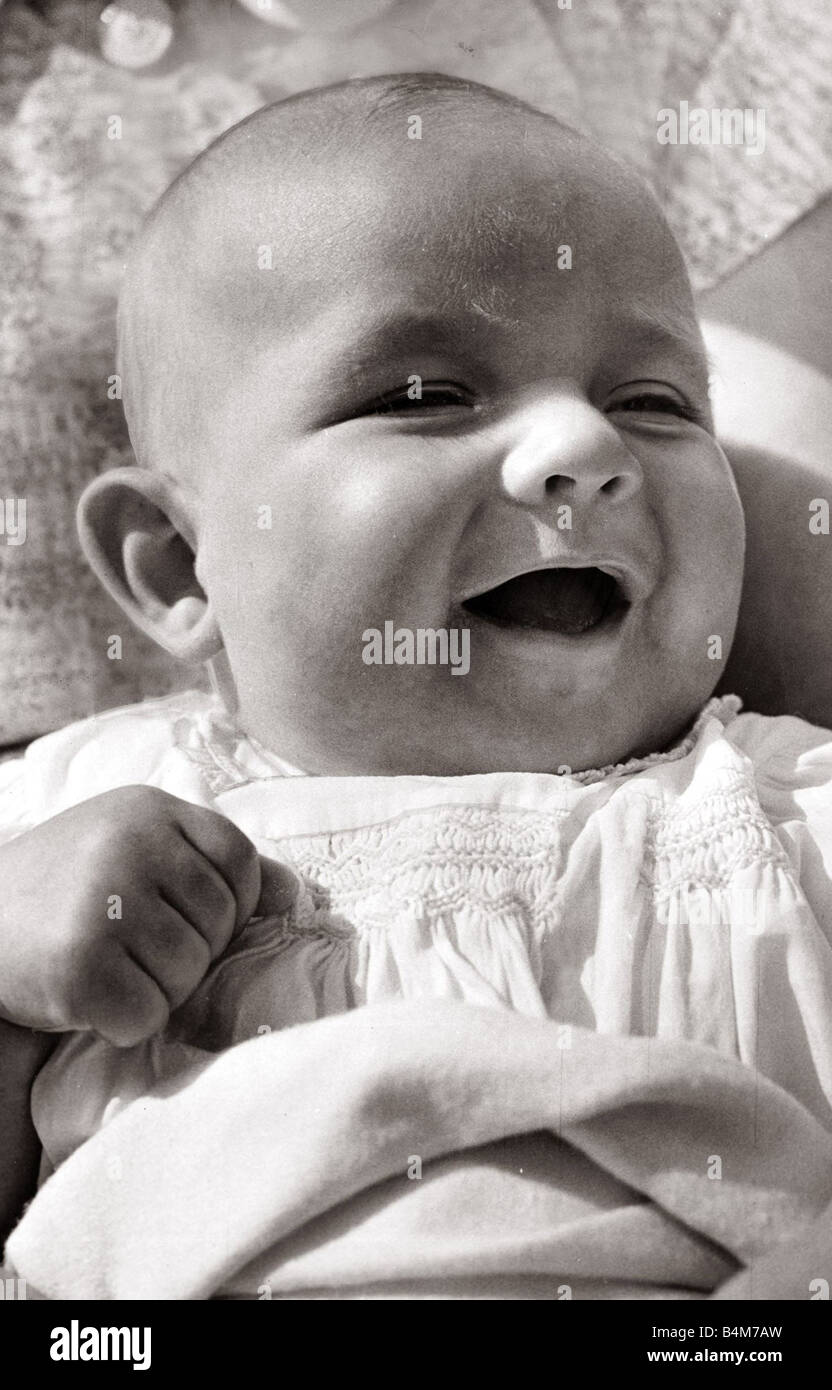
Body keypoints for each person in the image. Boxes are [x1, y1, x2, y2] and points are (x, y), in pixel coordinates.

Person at [2, 74, 831, 1298]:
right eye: (423, 396)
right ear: (183, 561)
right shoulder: (78, 810)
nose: (582, 451)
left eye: (650, 401)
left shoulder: (791, 815)